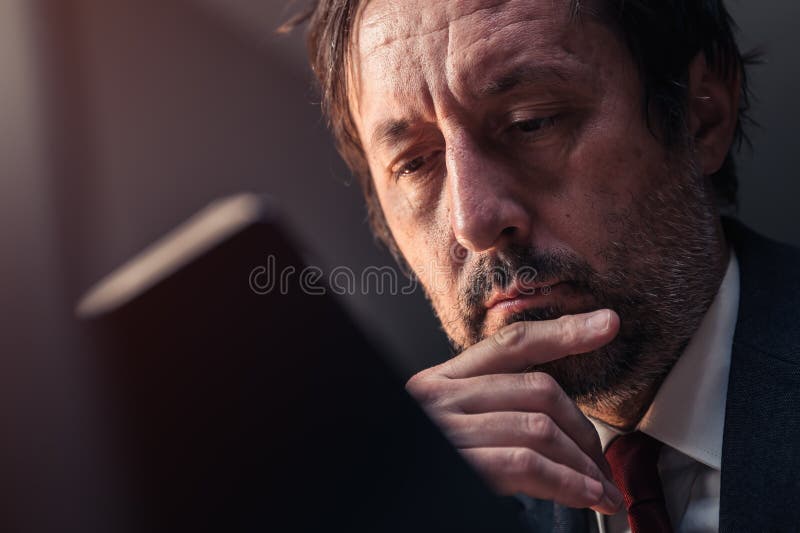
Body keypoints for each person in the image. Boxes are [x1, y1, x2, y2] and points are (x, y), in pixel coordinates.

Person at [286, 1, 800, 531]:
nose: (474, 220)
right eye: (415, 164)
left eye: (531, 123)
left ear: (702, 115)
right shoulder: (426, 504)